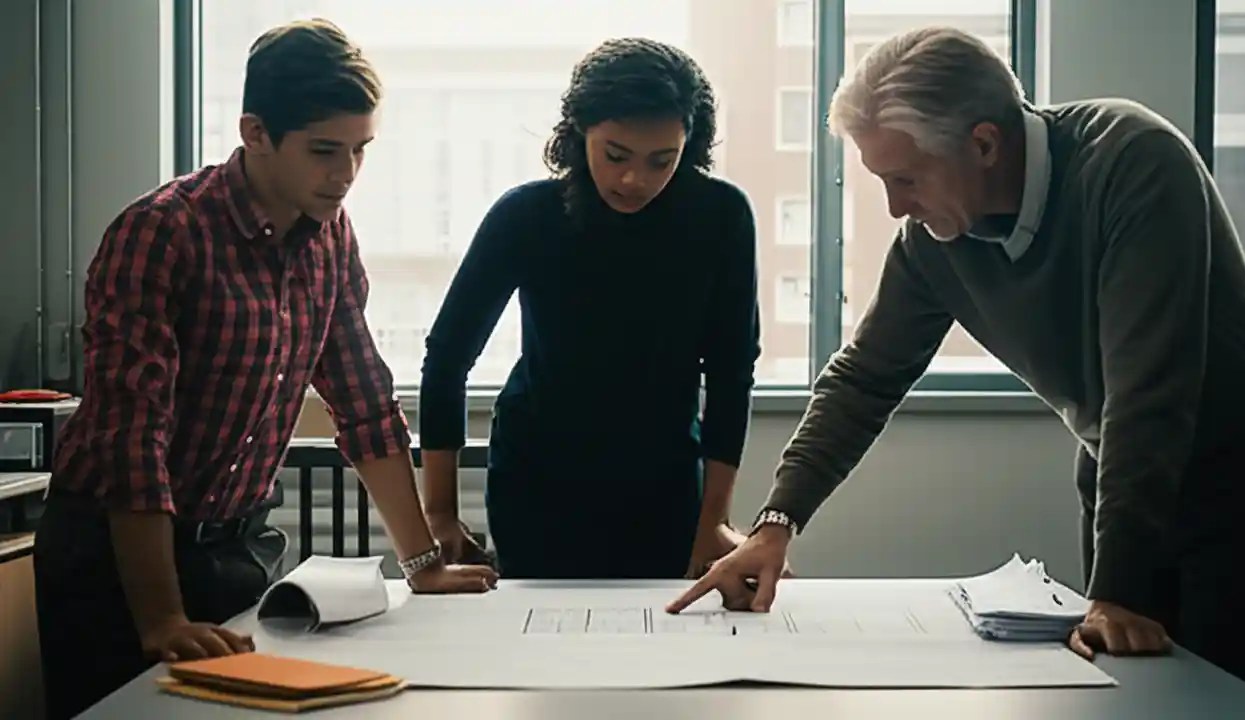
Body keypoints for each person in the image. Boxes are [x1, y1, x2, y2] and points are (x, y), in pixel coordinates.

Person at [668, 26, 1245, 700]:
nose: (896, 206)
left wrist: (1119, 593)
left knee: (1231, 697)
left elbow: (1147, 392)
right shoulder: (934, 244)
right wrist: (774, 526)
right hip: (1123, 479)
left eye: (905, 179)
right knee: (1130, 692)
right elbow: (863, 381)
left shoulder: (1132, 161)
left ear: (983, 144)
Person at [34, 19, 497, 719]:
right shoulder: (160, 232)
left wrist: (424, 567)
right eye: (322, 151)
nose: (344, 175)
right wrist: (160, 618)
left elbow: (366, 404)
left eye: (359, 151)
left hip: (237, 547)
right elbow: (134, 439)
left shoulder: (331, 236)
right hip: (115, 561)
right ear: (254, 134)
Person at [420, 37, 761, 580]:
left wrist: (714, 518)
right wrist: (438, 513)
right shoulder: (526, 215)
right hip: (536, 481)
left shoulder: (722, 218)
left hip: (665, 482)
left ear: (688, 146)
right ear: (580, 134)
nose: (634, 180)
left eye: (661, 161)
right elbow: (447, 357)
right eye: (616, 155)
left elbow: (731, 372)